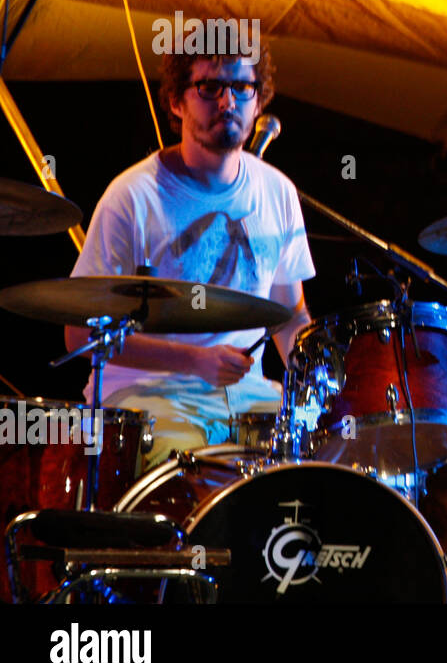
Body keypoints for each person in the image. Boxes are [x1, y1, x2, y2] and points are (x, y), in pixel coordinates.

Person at [64, 41, 314, 469]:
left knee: (323, 460)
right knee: (187, 476)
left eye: (241, 87)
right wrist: (196, 362)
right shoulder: (133, 196)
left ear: (259, 102)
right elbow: (80, 335)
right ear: (178, 102)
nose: (227, 100)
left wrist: (323, 392)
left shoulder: (279, 193)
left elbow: (289, 318)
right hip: (148, 395)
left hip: (248, 397)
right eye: (209, 87)